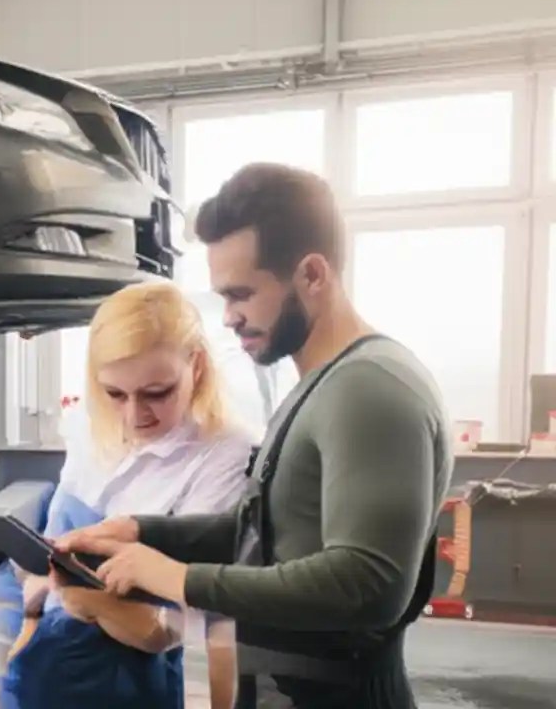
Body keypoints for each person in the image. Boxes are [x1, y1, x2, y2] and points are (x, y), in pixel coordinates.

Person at [57, 163, 453, 709]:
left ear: (312, 274)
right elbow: (266, 532)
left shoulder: (370, 389)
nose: (229, 317)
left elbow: (368, 583)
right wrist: (143, 532)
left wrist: (178, 578)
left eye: (241, 295)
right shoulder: (320, 384)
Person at [0, 281, 254, 709]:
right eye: (115, 393)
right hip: (39, 654)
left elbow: (190, 622)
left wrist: (84, 600)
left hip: (123, 677)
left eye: (157, 393)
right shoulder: (88, 427)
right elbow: (45, 556)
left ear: (196, 365)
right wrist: (31, 605)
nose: (134, 414)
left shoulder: (224, 452)